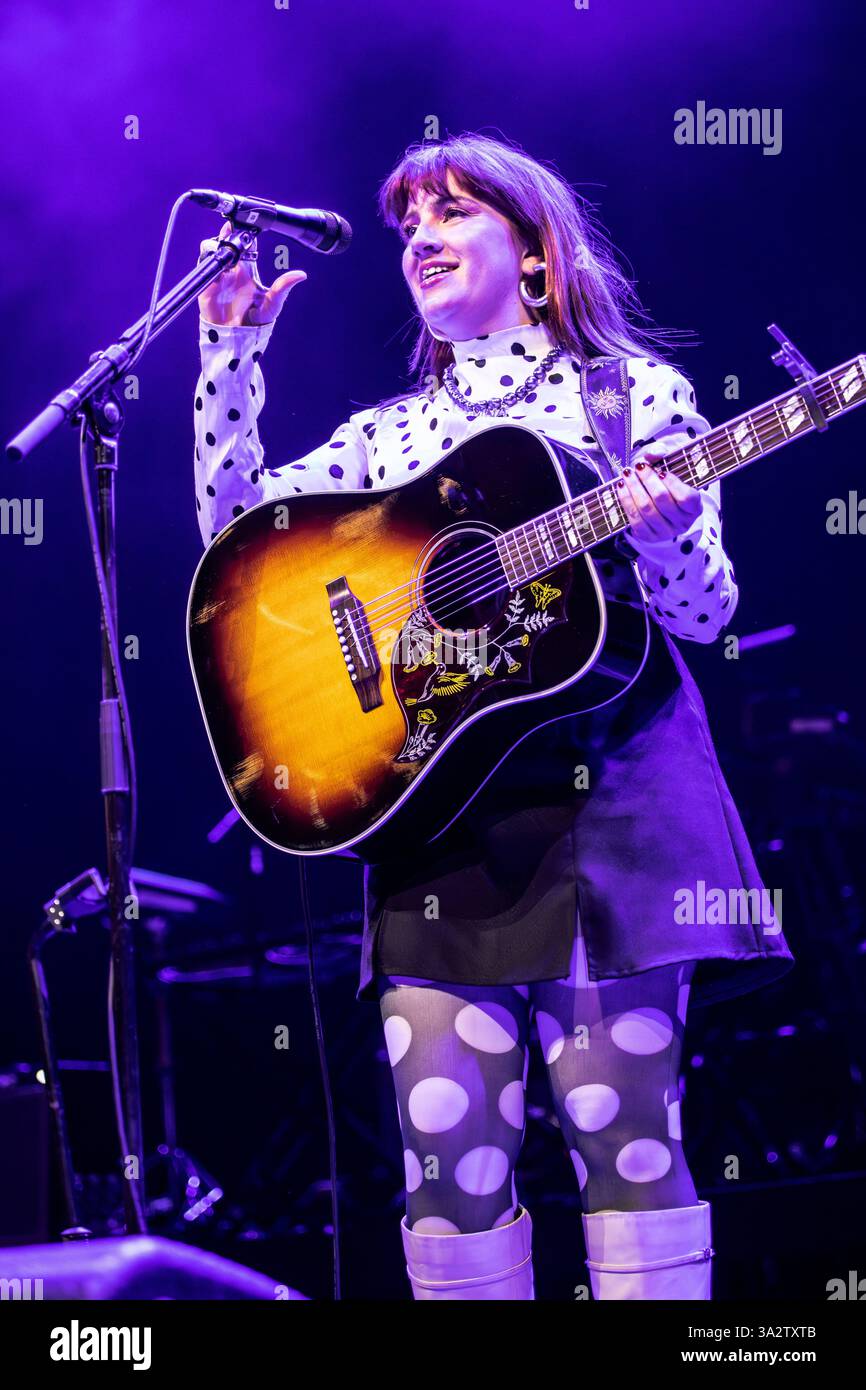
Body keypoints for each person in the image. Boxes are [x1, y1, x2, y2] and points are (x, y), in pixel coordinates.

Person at [193, 133, 794, 1300]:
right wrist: (230, 351)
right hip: (441, 802)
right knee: (447, 1163)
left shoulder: (635, 396)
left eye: (452, 211)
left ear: (531, 253)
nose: (418, 234)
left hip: (613, 785)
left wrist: (668, 529)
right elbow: (236, 541)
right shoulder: (385, 437)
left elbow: (706, 609)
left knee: (622, 1138)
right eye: (406, 220)